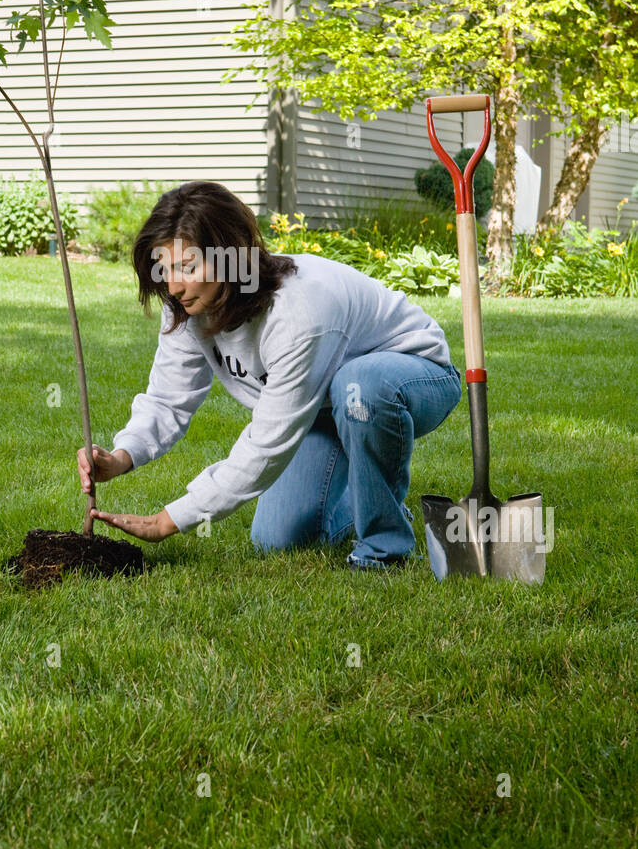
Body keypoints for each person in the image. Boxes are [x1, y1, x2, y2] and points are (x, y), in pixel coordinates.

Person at [77, 181, 462, 569]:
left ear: (230, 255)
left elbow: (266, 445)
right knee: (277, 540)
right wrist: (122, 456)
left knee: (359, 387)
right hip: (322, 406)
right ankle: (369, 499)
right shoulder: (186, 305)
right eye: (165, 269)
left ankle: (383, 547)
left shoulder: (299, 312)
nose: (173, 286)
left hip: (413, 376)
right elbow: (168, 399)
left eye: (187, 268)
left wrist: (172, 519)